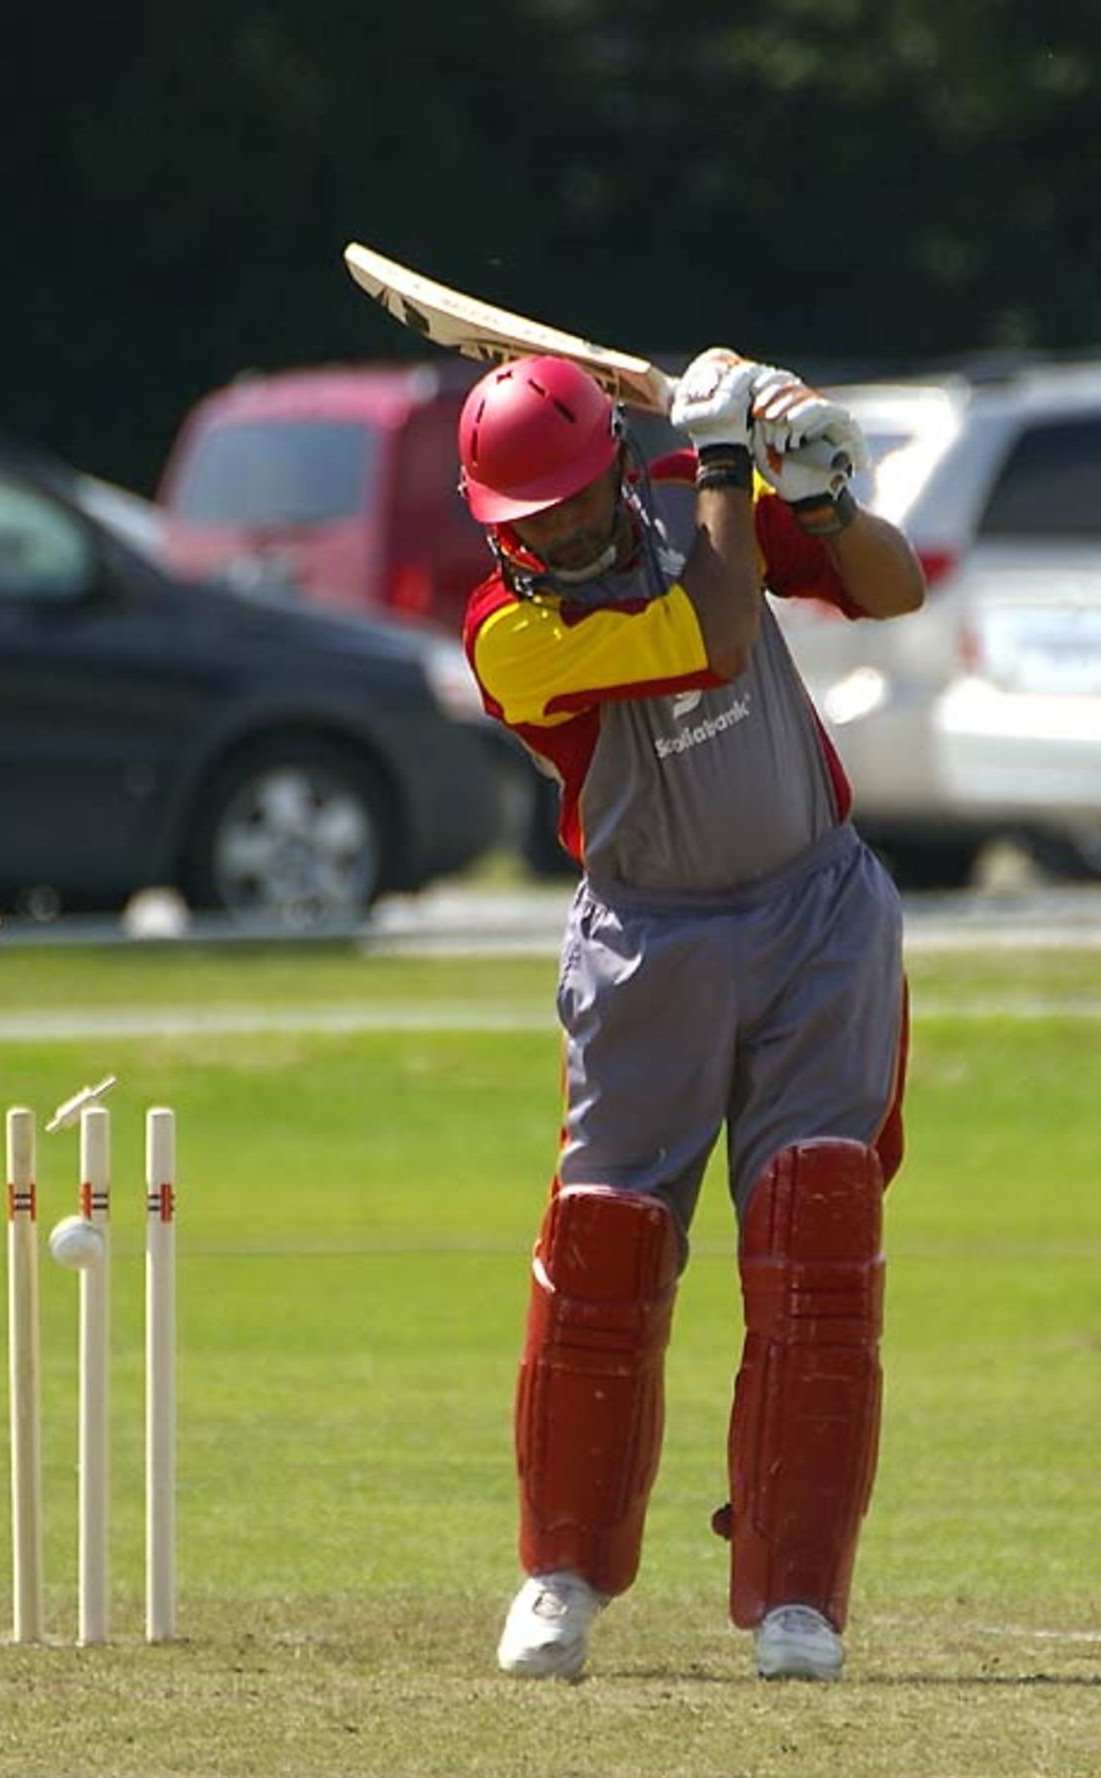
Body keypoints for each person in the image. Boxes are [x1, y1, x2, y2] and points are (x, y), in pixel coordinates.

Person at [456, 347, 925, 1683]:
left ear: (614, 467)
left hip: (815, 917)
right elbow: (714, 637)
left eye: (557, 503)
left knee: (817, 1235)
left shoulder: (694, 510)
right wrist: (725, 455)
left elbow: (891, 589)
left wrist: (823, 493)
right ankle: (561, 1574)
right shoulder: (509, 631)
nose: (540, 534)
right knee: (605, 1244)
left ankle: (799, 1598)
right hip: (648, 943)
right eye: (515, 519)